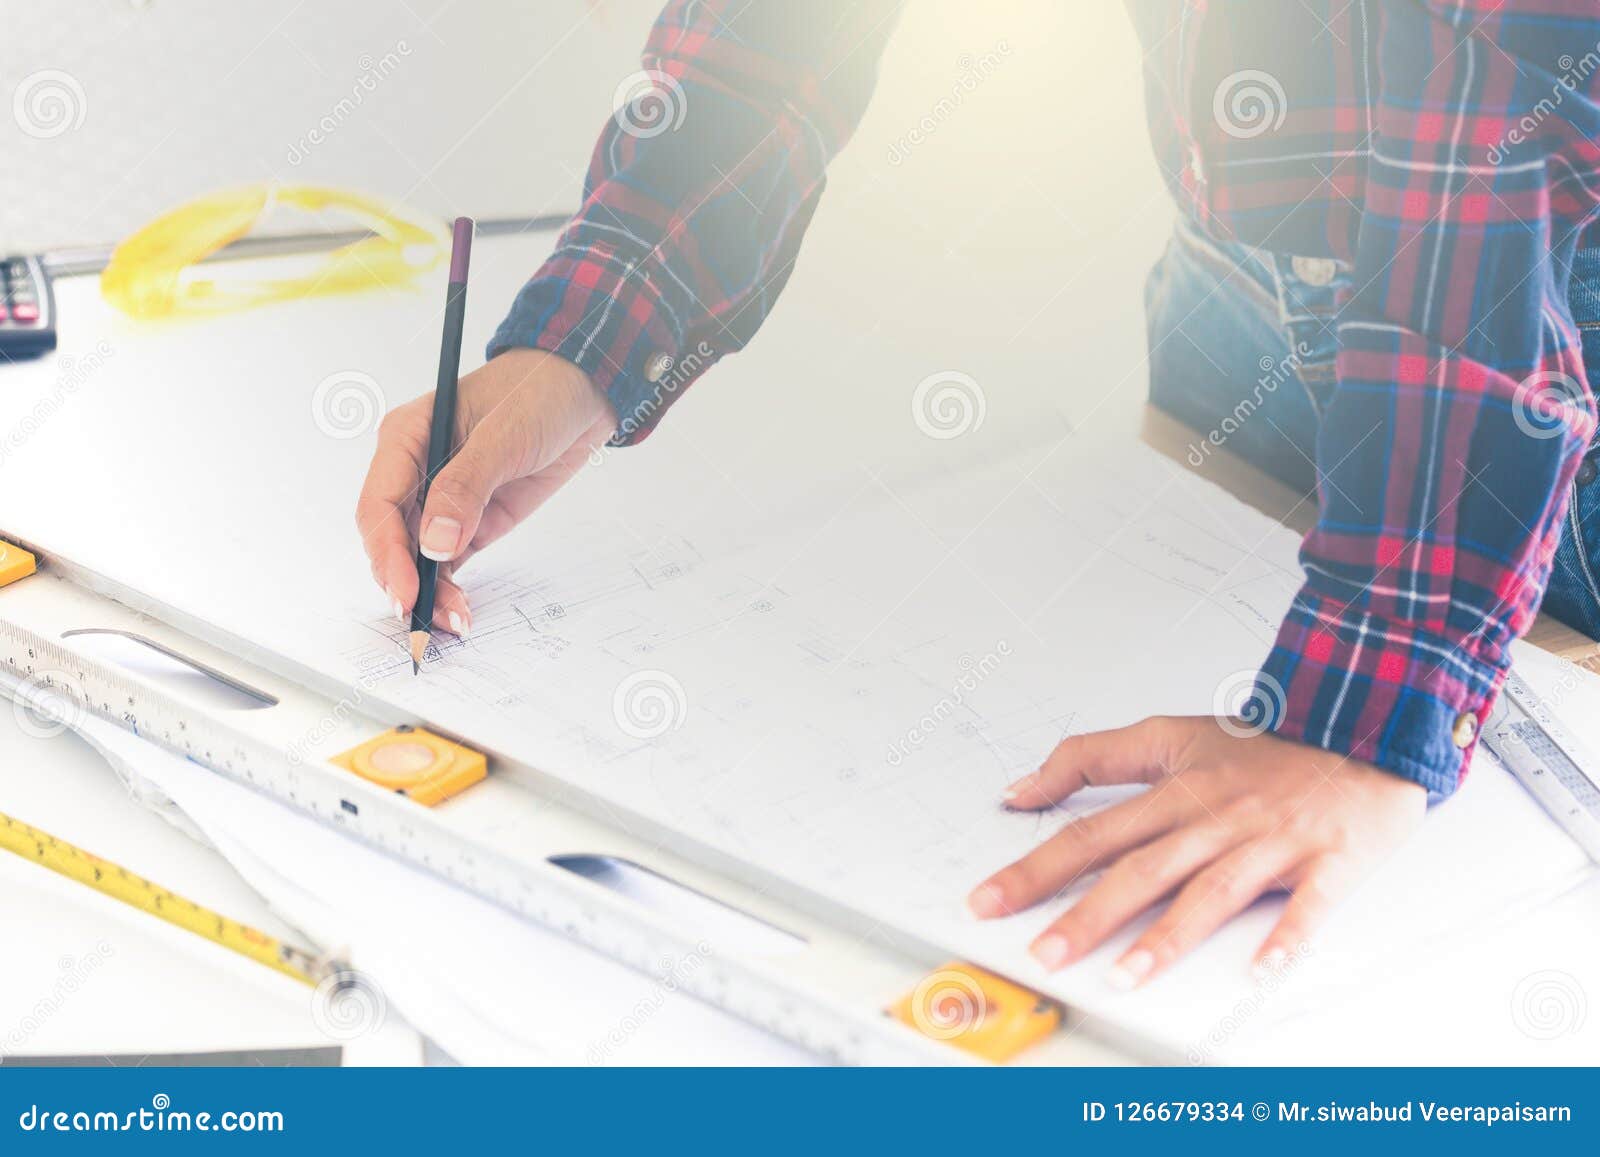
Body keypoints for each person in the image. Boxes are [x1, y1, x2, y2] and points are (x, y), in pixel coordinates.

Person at [356, 2, 1600, 989]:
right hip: (1238, 280)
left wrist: (1365, 710)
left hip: (1536, 321)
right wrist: (594, 329)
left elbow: (1506, 119)